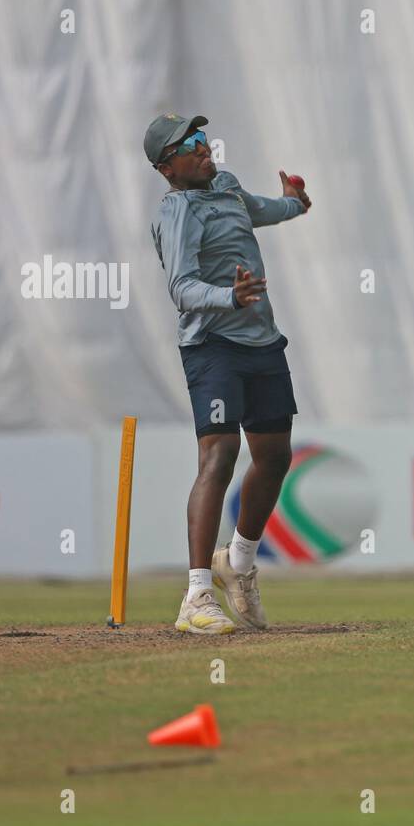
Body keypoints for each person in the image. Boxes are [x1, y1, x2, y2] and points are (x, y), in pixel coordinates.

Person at [144, 113, 312, 634]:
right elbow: (181, 287)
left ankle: (237, 563)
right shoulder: (178, 210)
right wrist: (228, 297)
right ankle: (195, 596)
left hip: (262, 340)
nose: (203, 147)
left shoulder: (226, 185)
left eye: (202, 137)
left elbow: (259, 210)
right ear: (166, 167)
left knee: (276, 456)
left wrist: (294, 203)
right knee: (219, 456)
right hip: (212, 345)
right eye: (189, 144)